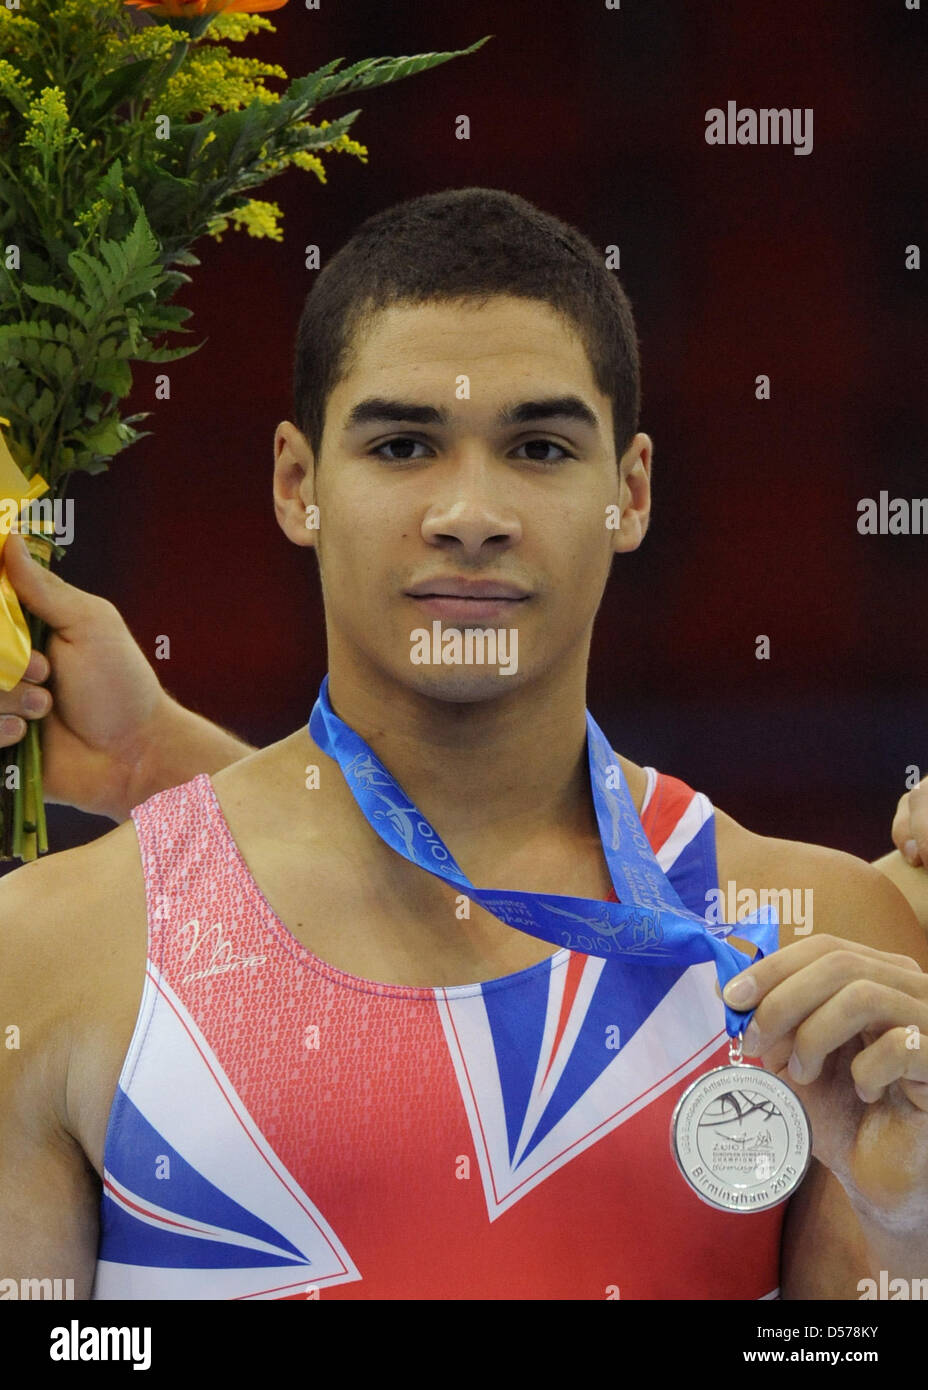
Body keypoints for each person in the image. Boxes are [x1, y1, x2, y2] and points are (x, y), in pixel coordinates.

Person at [1, 187, 926, 1301]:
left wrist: (908, 1226)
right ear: (298, 484)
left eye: (537, 446)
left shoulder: (832, 957)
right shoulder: (49, 953)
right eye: (403, 445)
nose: (471, 512)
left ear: (627, 495)